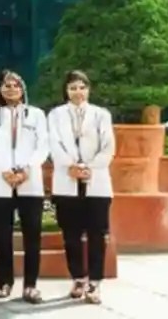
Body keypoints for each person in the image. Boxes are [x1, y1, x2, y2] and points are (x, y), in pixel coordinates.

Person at [0, 70, 50, 304]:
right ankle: (3, 282)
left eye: (15, 85)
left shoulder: (37, 115)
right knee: (1, 235)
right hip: (1, 180)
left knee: (32, 235)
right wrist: (4, 170)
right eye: (6, 85)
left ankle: (31, 285)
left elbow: (43, 145)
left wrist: (27, 168)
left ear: (23, 89)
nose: (11, 89)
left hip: (29, 181)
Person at [48, 70, 115, 304]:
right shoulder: (56, 115)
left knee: (97, 235)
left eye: (82, 87)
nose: (78, 92)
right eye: (73, 87)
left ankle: (95, 282)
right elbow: (53, 143)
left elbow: (108, 146)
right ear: (66, 91)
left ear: (89, 89)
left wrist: (89, 167)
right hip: (66, 181)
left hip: (96, 181)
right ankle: (78, 277)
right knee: (71, 235)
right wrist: (71, 166)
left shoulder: (101, 114)